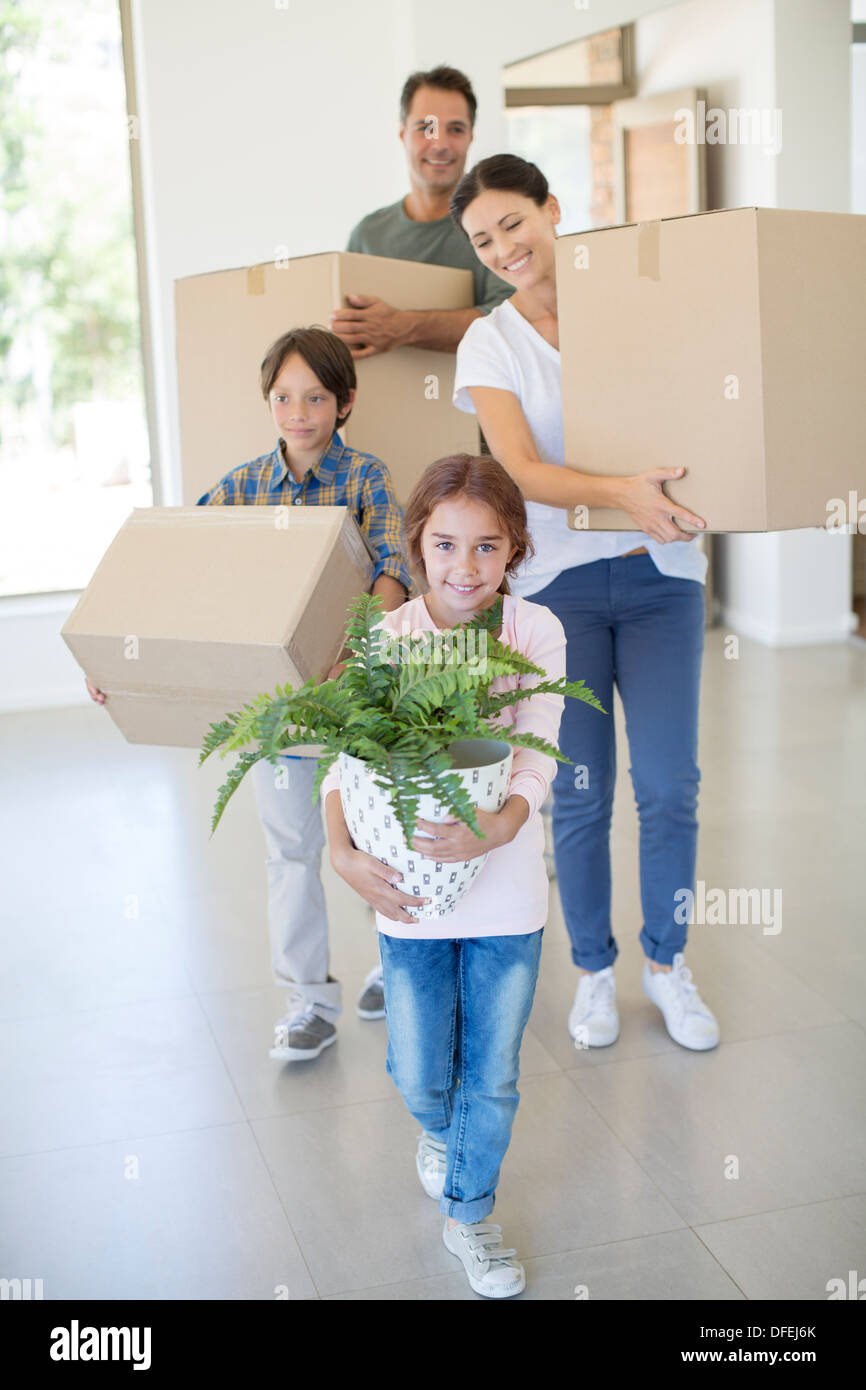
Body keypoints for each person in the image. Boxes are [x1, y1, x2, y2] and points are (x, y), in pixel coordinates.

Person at [448, 154, 721, 1052]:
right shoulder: (490, 342)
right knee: (581, 791)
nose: (504, 249)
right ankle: (596, 972)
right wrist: (623, 496)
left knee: (671, 787)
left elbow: (700, 411)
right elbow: (521, 471)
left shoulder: (634, 311)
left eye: (514, 224)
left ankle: (668, 964)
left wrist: (659, 503)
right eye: (484, 241)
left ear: (552, 210)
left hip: (661, 577)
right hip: (559, 588)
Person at [87, 327, 411, 1059]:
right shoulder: (240, 487)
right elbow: (177, 566)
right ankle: (308, 1001)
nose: (298, 413)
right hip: (280, 709)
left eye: (315, 398)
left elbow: (393, 568)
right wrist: (117, 649)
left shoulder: (365, 477)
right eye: (283, 398)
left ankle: (398, 963)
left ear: (344, 402)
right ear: (268, 403)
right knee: (291, 849)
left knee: (374, 833)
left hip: (357, 694)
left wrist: (358, 643)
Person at [320, 452, 568, 1299]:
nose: (466, 569)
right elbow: (340, 769)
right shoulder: (387, 640)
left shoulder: (536, 632)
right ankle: (441, 1132)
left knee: (492, 1073)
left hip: (507, 892)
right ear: (417, 546)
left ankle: (471, 1217)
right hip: (408, 891)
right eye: (447, 545)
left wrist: (501, 824)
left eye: (488, 548)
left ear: (515, 550)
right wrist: (341, 853)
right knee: (421, 1071)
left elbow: (538, 748)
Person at [331, 65, 512, 360]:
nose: (440, 144)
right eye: (425, 128)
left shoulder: (497, 228)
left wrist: (406, 327)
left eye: (455, 129)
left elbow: (510, 322)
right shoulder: (368, 235)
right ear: (403, 134)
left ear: (471, 137)